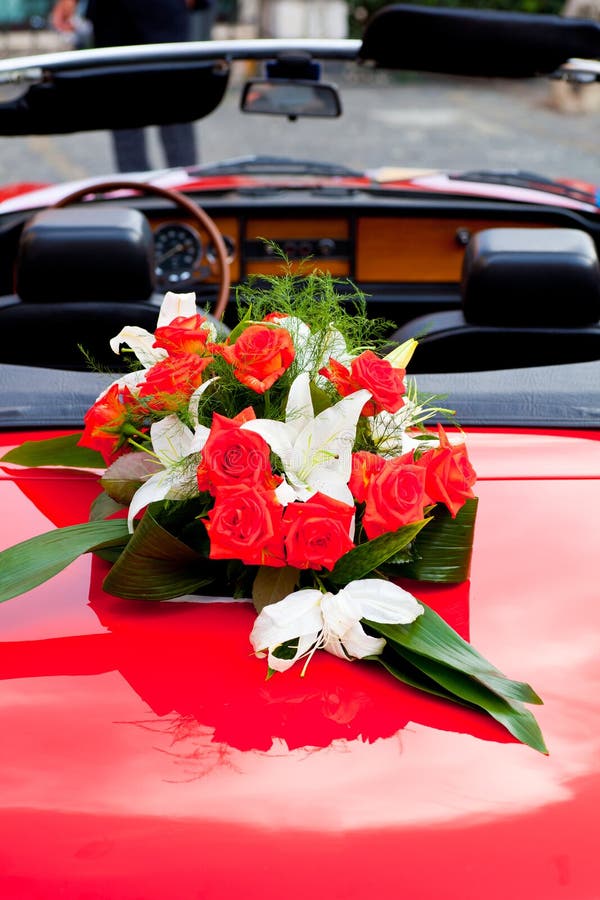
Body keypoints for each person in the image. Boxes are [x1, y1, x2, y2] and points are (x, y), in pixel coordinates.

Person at [50, 0, 200, 172]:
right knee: (124, 112)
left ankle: (186, 185)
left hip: (164, 12)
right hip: (115, 17)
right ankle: (136, 189)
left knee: (174, 108)